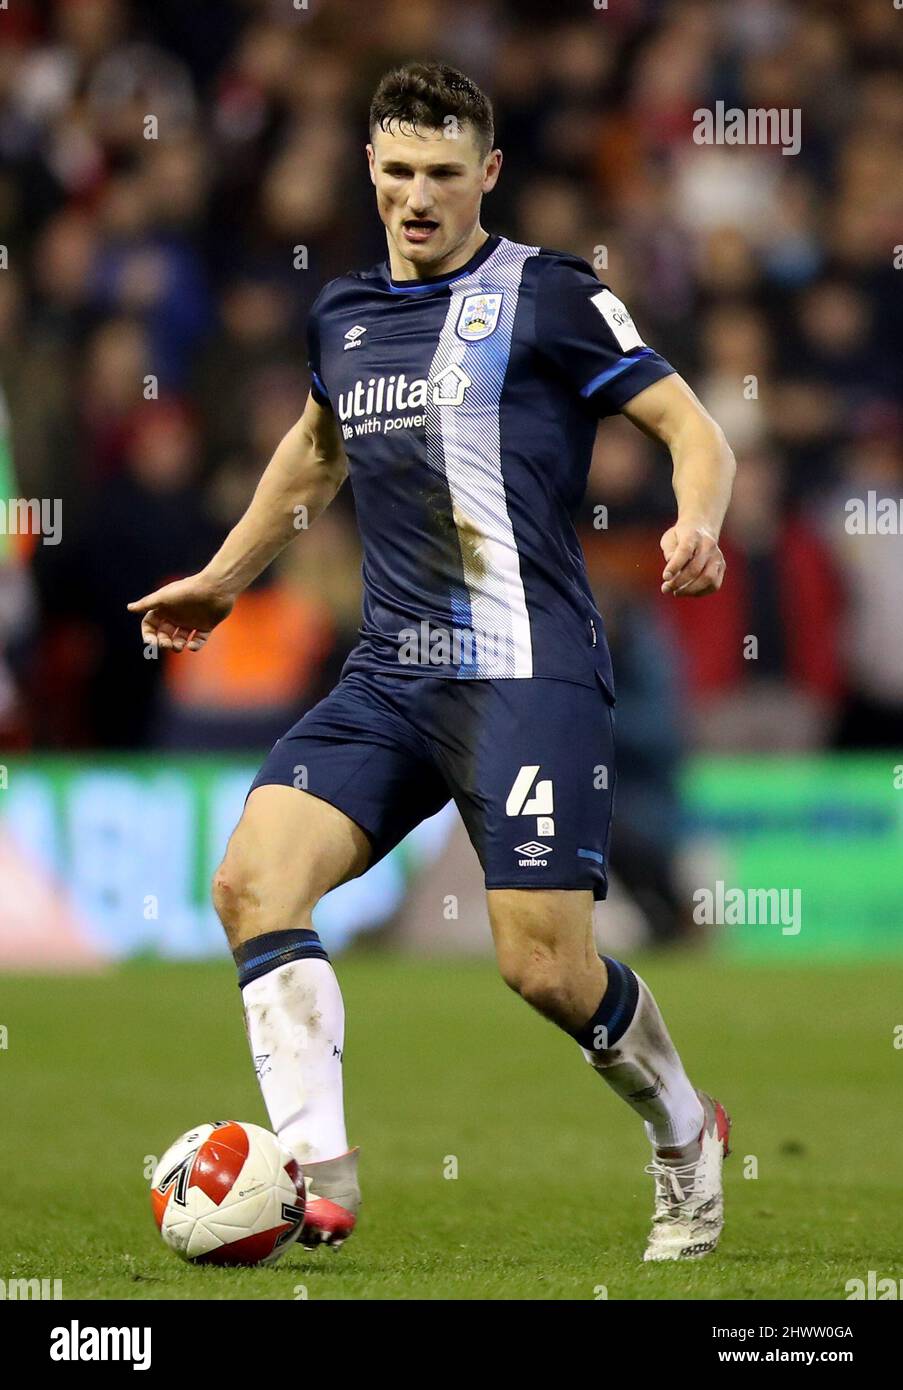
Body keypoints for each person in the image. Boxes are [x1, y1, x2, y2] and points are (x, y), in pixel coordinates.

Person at [129, 62, 736, 1263]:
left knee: (544, 966)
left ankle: (684, 1132)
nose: (417, 196)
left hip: (528, 670)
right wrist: (222, 577)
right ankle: (317, 1172)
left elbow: (689, 424)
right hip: (391, 675)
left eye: (444, 175)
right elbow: (313, 457)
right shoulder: (342, 315)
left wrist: (698, 518)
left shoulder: (548, 294)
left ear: (488, 176)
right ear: (370, 167)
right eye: (398, 170)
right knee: (254, 884)